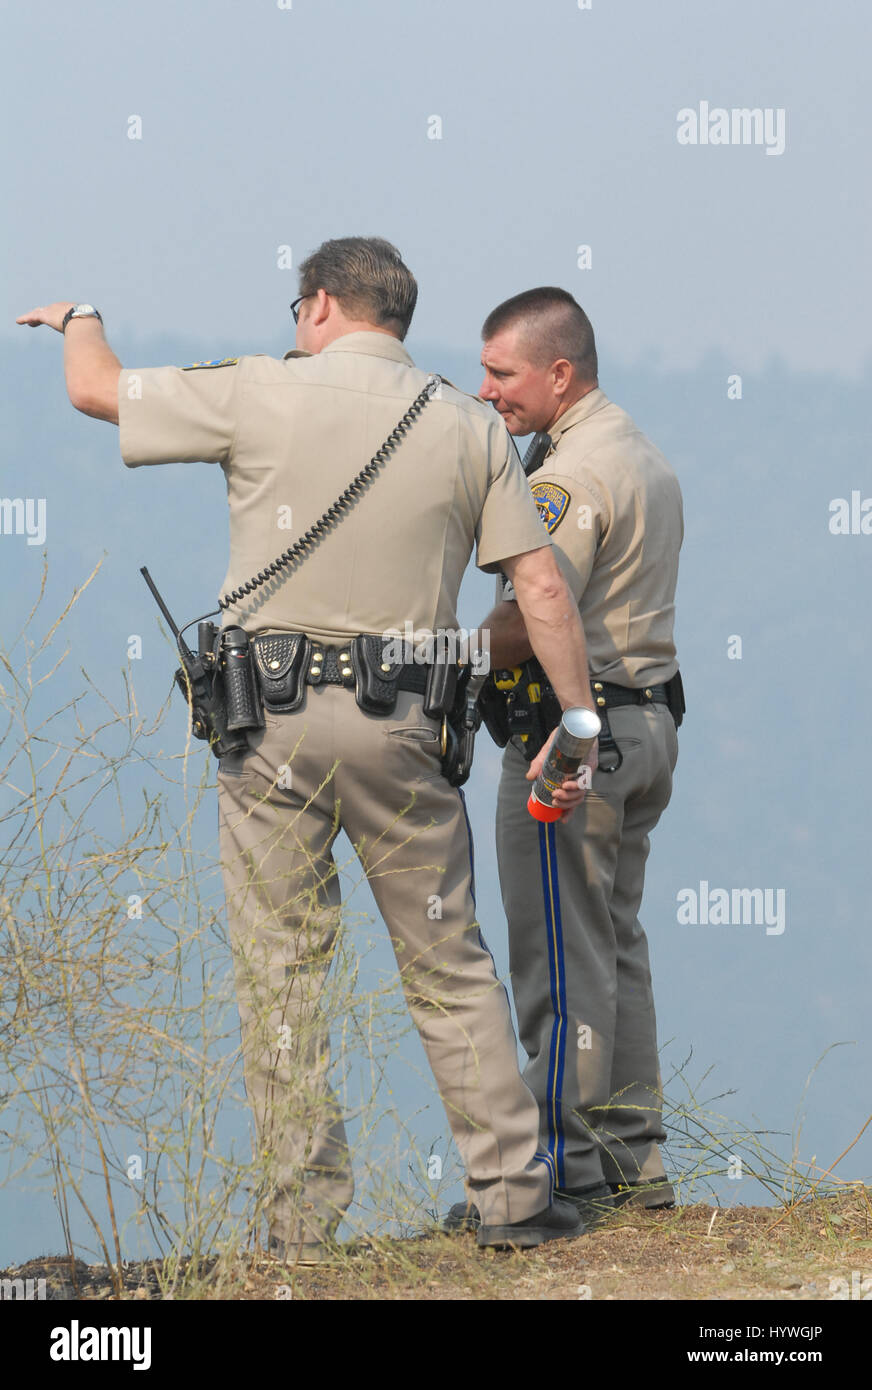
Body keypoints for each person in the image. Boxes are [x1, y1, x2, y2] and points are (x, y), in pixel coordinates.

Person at [16, 242, 598, 1261]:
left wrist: (80, 317)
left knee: (280, 971)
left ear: (321, 304)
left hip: (269, 730)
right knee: (449, 965)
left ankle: (296, 1225)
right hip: (406, 729)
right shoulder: (465, 424)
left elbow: (95, 390)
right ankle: (513, 1200)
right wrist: (578, 723)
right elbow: (540, 587)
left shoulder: (254, 390)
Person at [474, 286, 684, 1223]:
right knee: (614, 943)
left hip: (572, 741)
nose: (488, 391)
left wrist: (430, 655)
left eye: (502, 373)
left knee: (558, 955)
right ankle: (634, 1163)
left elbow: (534, 613)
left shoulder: (569, 475)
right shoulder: (638, 451)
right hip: (648, 726)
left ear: (559, 373)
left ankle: (561, 1172)